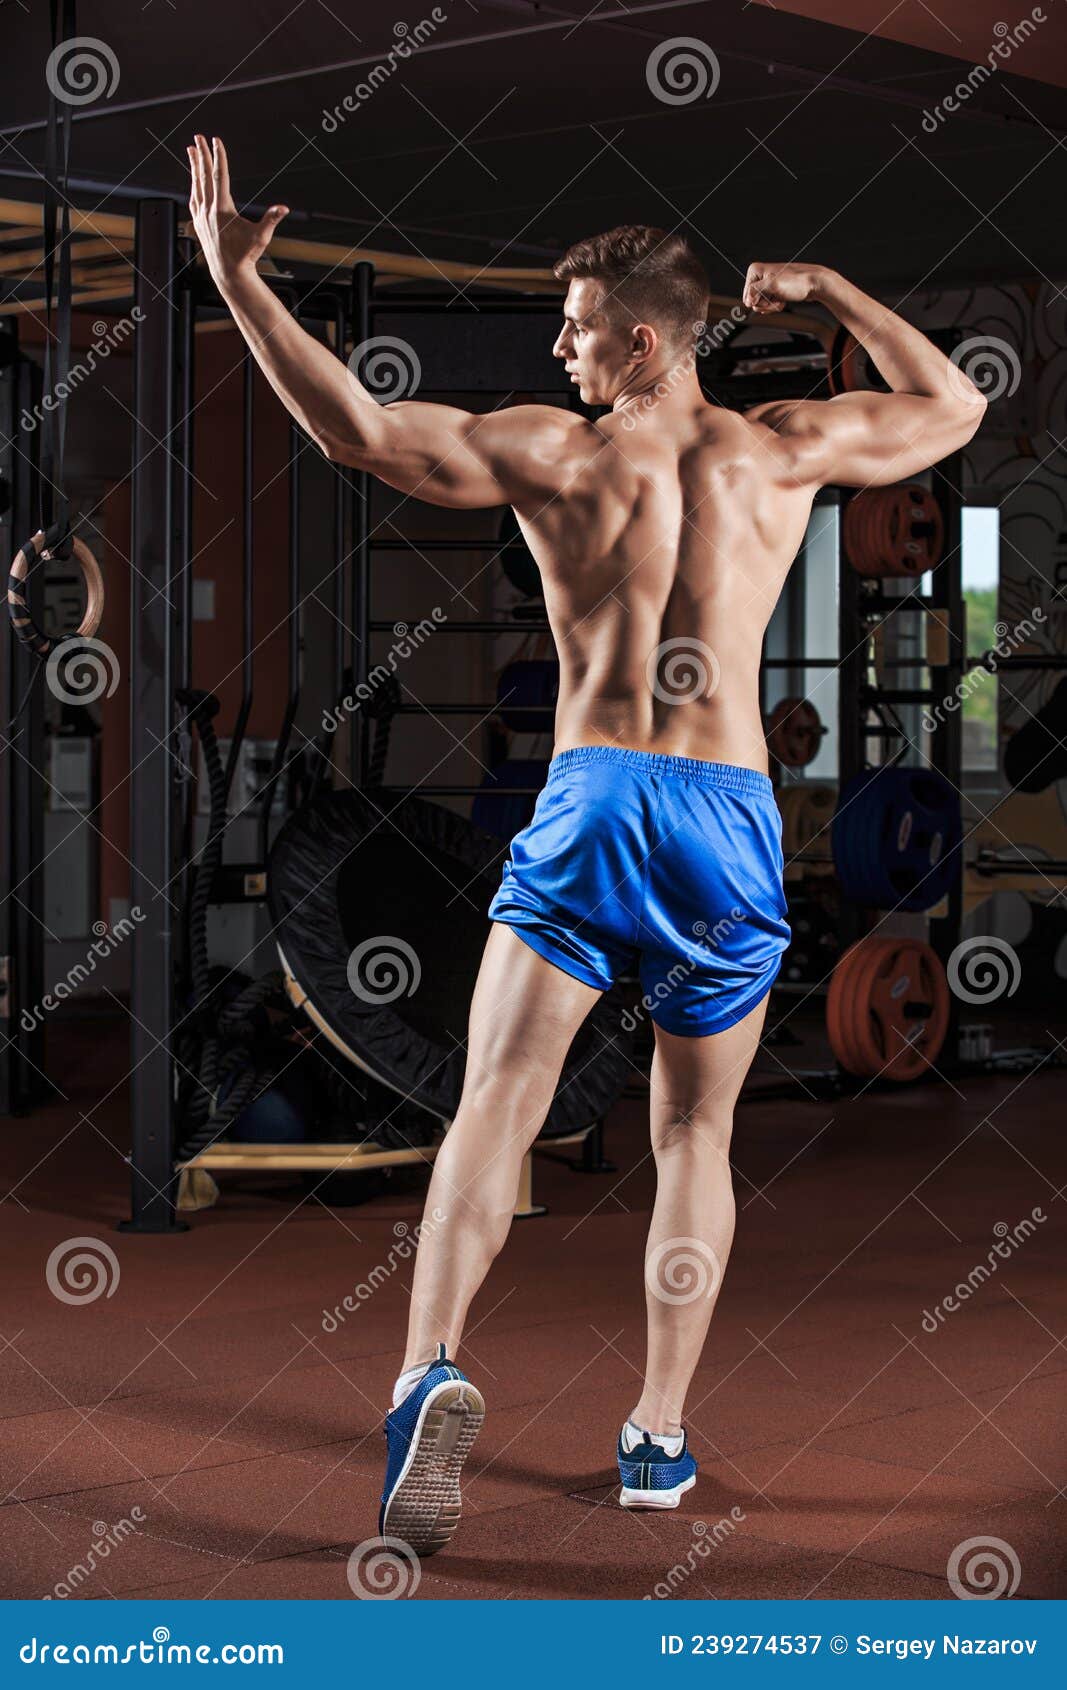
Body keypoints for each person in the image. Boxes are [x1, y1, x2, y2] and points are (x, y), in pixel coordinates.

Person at [187, 135, 986, 1554]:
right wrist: (833, 288)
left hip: (598, 793)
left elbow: (356, 437)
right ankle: (658, 1435)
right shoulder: (786, 447)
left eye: (572, 331)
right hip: (730, 815)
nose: (557, 353)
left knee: (495, 1097)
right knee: (693, 1131)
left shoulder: (558, 457)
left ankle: (427, 1368)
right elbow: (953, 405)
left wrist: (242, 286)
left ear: (639, 339)